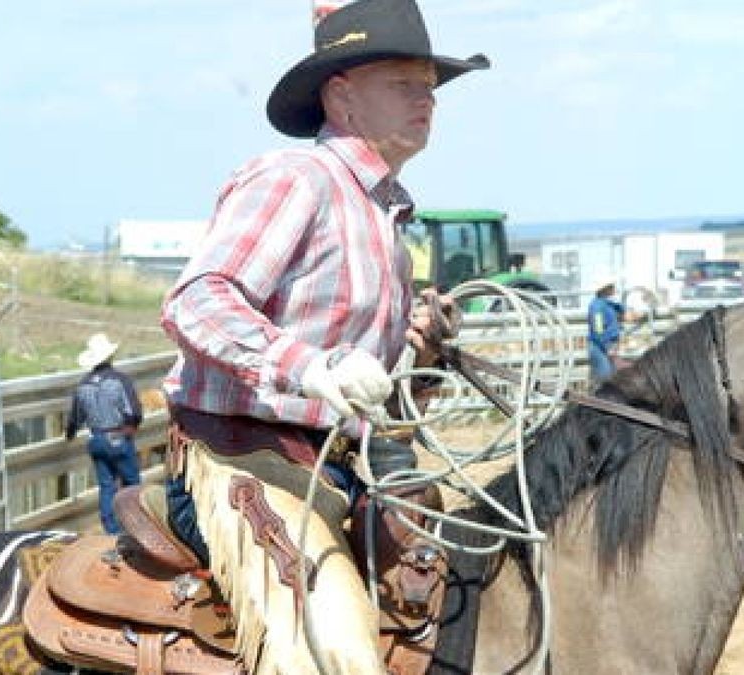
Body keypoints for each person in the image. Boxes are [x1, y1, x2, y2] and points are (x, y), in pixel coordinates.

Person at [158, 0, 488, 670]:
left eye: (429, 87)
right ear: (341, 96)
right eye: (404, 84)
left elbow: (369, 390)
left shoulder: (384, 218)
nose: (426, 101)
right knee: (330, 647)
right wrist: (310, 367)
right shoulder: (295, 179)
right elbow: (196, 300)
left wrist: (415, 353)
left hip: (333, 467)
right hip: (239, 459)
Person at [64, 333, 143, 534]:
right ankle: (135, 527)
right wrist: (132, 427)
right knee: (131, 484)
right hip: (119, 436)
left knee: (106, 487)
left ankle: (111, 531)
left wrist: (70, 434)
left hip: (97, 439)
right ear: (109, 357)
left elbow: (75, 418)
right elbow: (133, 411)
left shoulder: (83, 385)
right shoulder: (120, 380)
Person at [588, 277, 625, 384]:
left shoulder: (606, 304)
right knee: (605, 379)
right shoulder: (597, 307)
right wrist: (606, 347)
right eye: (612, 286)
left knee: (611, 378)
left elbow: (620, 309)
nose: (614, 288)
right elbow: (598, 329)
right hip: (601, 347)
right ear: (605, 289)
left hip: (607, 346)